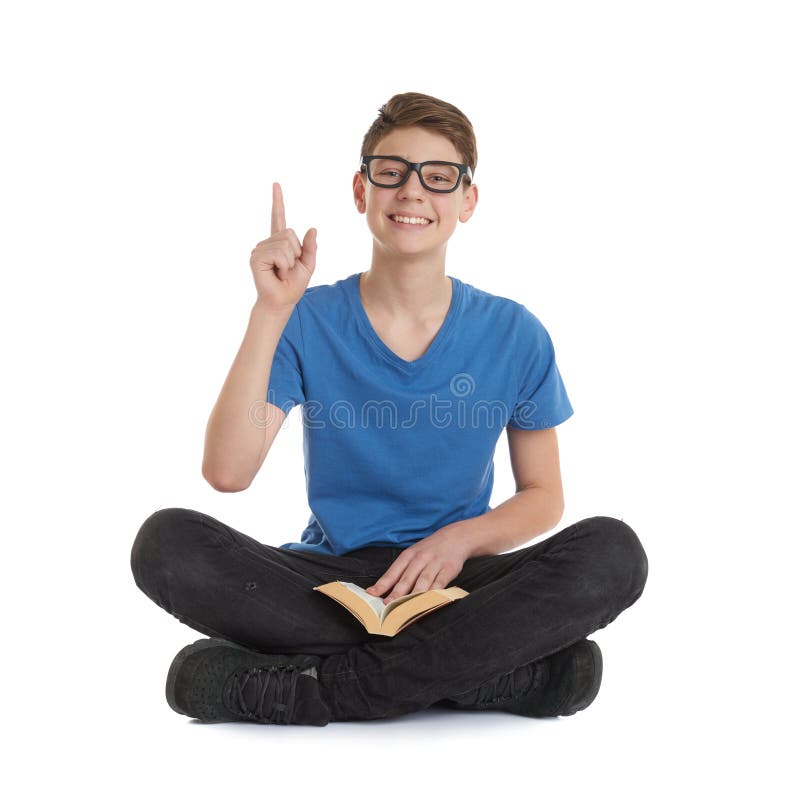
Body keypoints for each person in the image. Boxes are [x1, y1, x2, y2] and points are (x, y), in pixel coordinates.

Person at [131, 91, 648, 727]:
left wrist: (458, 542)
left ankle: (320, 690)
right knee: (167, 543)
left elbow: (543, 496)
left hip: (460, 587)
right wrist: (270, 310)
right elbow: (228, 473)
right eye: (391, 171)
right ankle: (486, 676)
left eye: (438, 177)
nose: (411, 192)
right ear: (361, 190)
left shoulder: (516, 333)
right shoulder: (305, 320)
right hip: (331, 584)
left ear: (467, 201)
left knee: (614, 552)